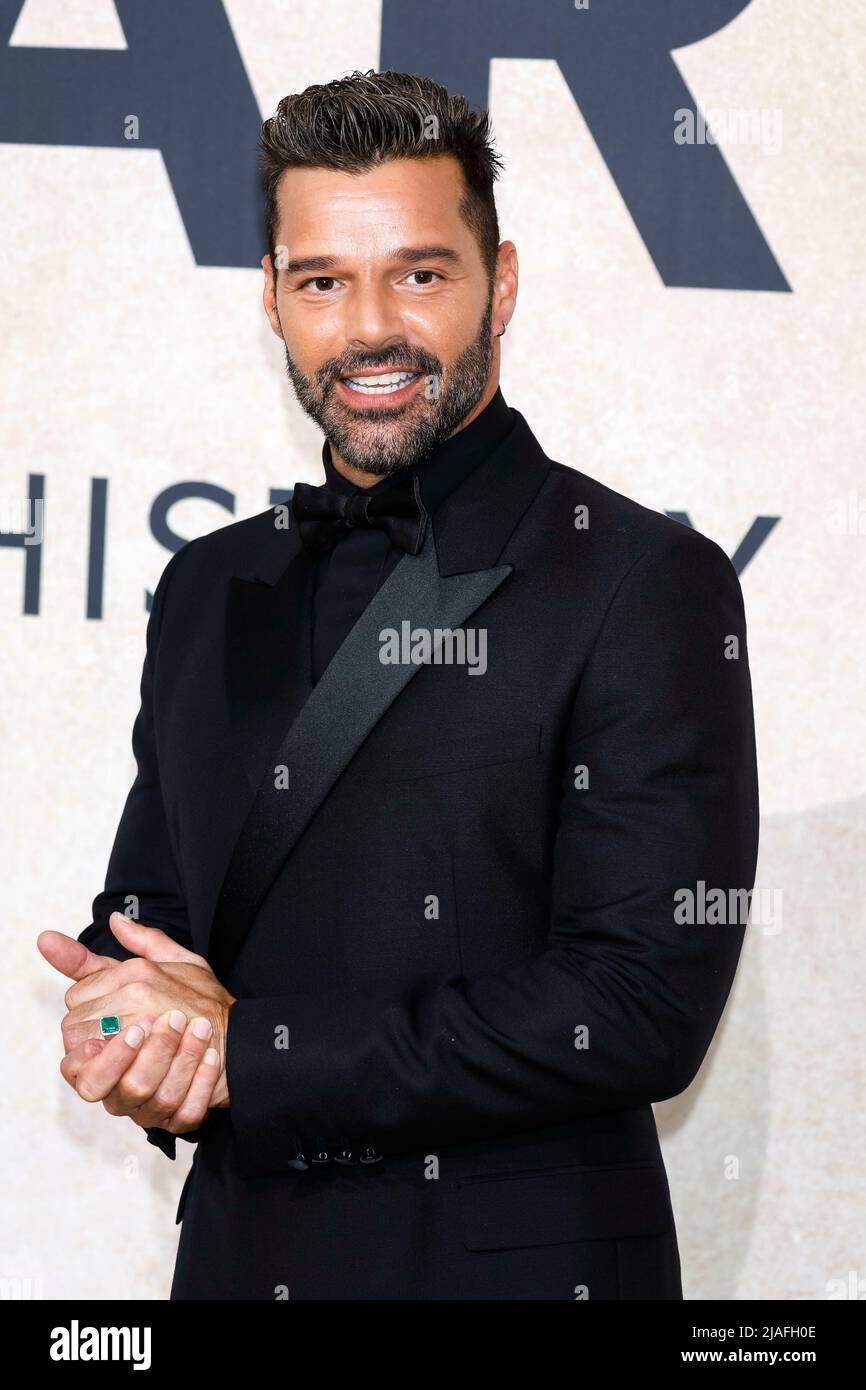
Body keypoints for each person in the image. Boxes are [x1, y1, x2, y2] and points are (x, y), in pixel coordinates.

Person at [38, 69, 759, 1301]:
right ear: (271, 298)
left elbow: (640, 1000)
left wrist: (247, 1048)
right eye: (322, 280)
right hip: (238, 1265)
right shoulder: (209, 585)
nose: (369, 326)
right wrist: (130, 1021)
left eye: (419, 273)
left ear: (503, 283)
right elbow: (156, 909)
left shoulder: (638, 579)